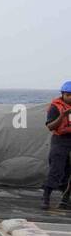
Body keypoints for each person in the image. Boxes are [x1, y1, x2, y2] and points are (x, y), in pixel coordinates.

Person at [43, 81, 71, 211]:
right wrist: (62, 116)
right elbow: (50, 126)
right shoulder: (55, 107)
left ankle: (65, 200)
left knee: (68, 173)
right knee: (56, 169)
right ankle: (46, 198)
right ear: (63, 95)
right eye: (68, 95)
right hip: (60, 140)